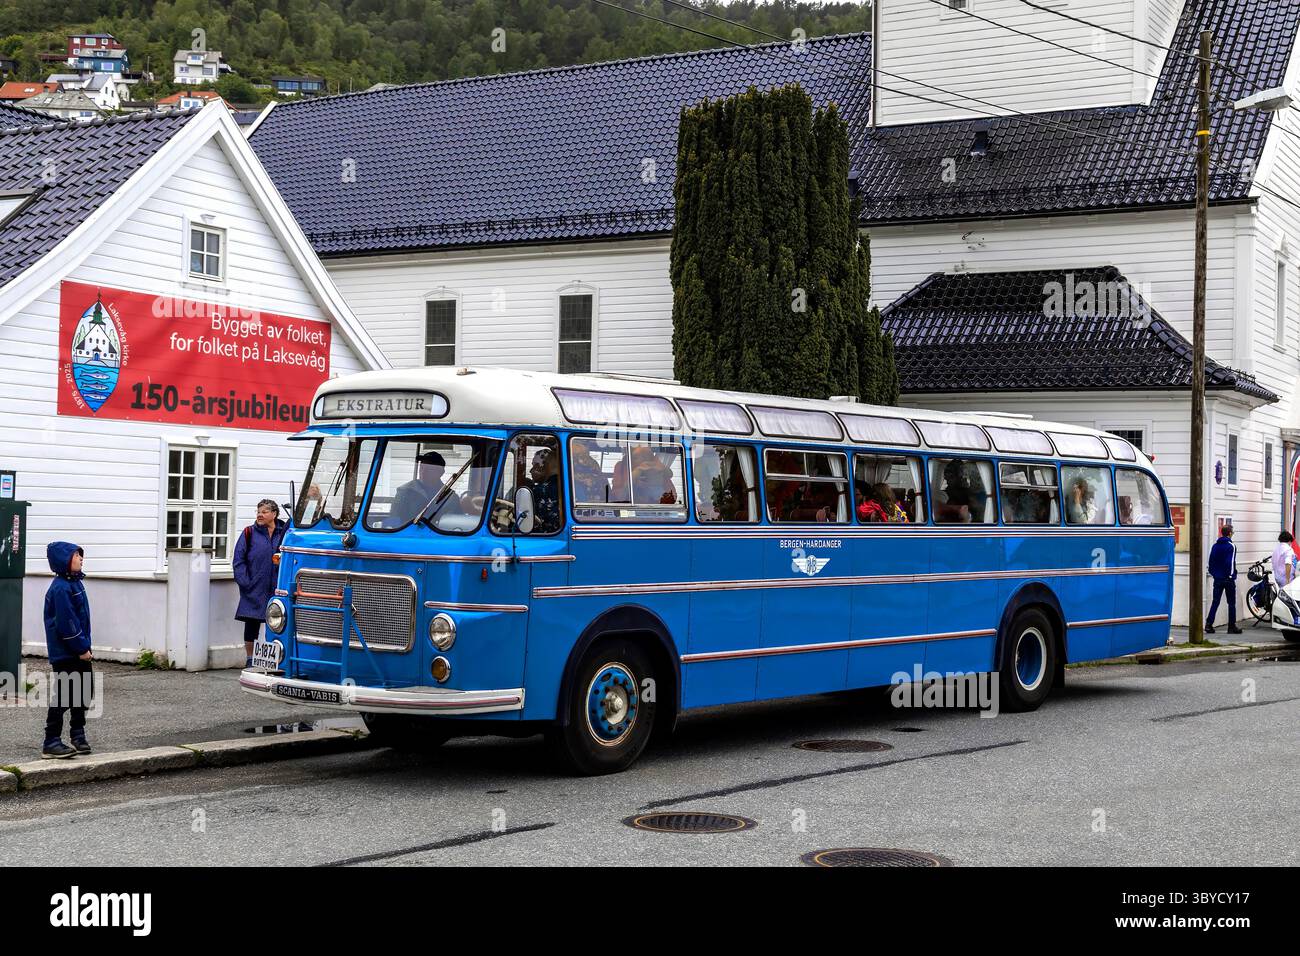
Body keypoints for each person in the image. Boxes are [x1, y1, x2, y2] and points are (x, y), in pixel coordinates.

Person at [42, 541, 93, 759]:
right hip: (66, 652)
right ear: (65, 560)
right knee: (64, 695)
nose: (81, 559)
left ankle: (77, 734)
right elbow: (67, 624)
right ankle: (51, 741)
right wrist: (81, 648)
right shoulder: (61, 588)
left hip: (79, 649)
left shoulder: (74, 583)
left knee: (83, 692)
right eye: (76, 556)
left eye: (81, 556)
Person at [234, 499, 287, 667]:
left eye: (264, 512)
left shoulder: (285, 533)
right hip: (254, 587)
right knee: (251, 624)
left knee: (278, 623)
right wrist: (245, 582)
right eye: (258, 511)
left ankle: (275, 659)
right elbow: (238, 560)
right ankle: (250, 659)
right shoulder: (249, 533)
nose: (259, 515)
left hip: (277, 587)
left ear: (274, 514)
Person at [391, 451, 461, 526]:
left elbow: (457, 524)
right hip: (409, 535)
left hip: (441, 536)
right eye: (422, 467)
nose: (423, 471)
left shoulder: (450, 497)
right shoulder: (405, 492)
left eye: (429, 468)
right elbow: (393, 521)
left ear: (440, 472)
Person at [1205, 523, 1242, 635]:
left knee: (1215, 601)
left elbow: (1211, 561)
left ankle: (1209, 624)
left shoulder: (1215, 546)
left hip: (1217, 578)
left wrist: (1214, 573)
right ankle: (1231, 626)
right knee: (1231, 603)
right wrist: (1231, 575)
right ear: (1230, 533)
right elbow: (1230, 562)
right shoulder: (1231, 546)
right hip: (1228, 579)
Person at [528, 447, 562, 532]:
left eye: (534, 465)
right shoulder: (566, 487)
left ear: (543, 467)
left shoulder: (540, 490)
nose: (530, 470)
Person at [571, 439, 609, 504]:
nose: (581, 460)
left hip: (596, 501)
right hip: (598, 501)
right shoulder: (593, 462)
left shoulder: (572, 463)